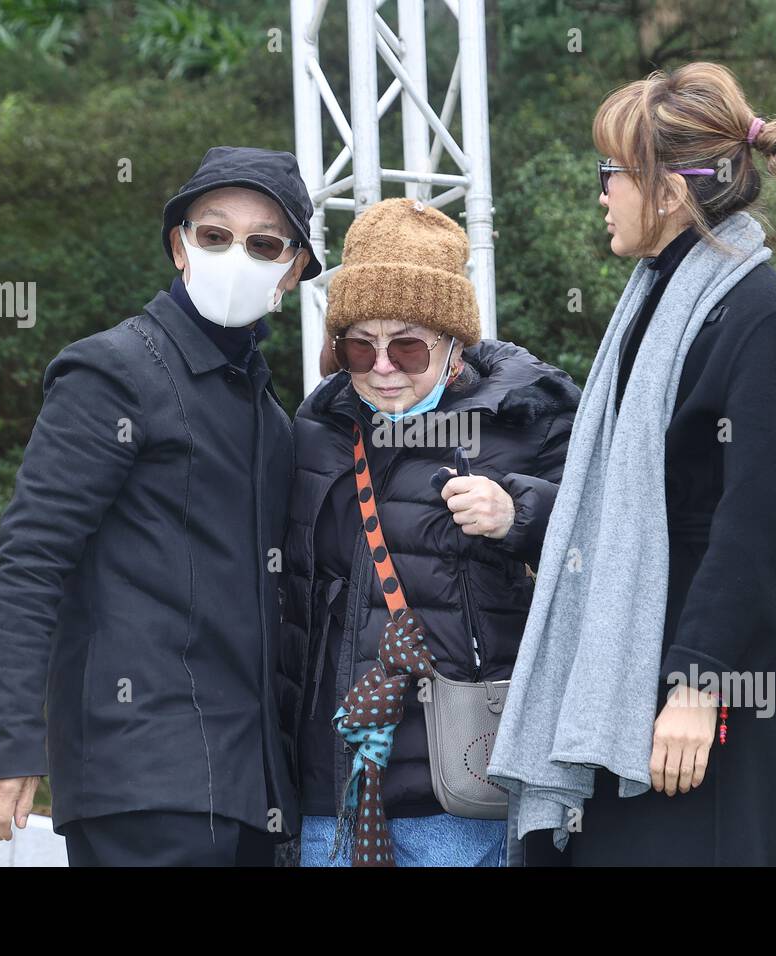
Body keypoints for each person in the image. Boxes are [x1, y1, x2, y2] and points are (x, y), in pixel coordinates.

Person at [487, 62, 776, 866]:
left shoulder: (768, 326)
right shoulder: (657, 304)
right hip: (624, 676)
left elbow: (761, 534)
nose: (602, 192)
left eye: (611, 173)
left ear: (670, 189)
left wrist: (698, 687)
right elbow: (618, 501)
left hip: (691, 704)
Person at [0, 145, 320, 866]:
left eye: (263, 243)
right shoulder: (112, 371)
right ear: (179, 248)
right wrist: (7, 740)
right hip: (143, 782)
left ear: (293, 269)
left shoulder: (272, 418)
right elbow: (32, 559)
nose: (234, 254)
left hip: (250, 793)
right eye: (213, 235)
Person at [276, 197, 580, 866]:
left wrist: (520, 514)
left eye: (408, 345)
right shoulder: (313, 430)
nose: (382, 366)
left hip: (461, 790)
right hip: (330, 794)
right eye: (361, 344)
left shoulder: (527, 417)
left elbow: (614, 543)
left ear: (453, 343)